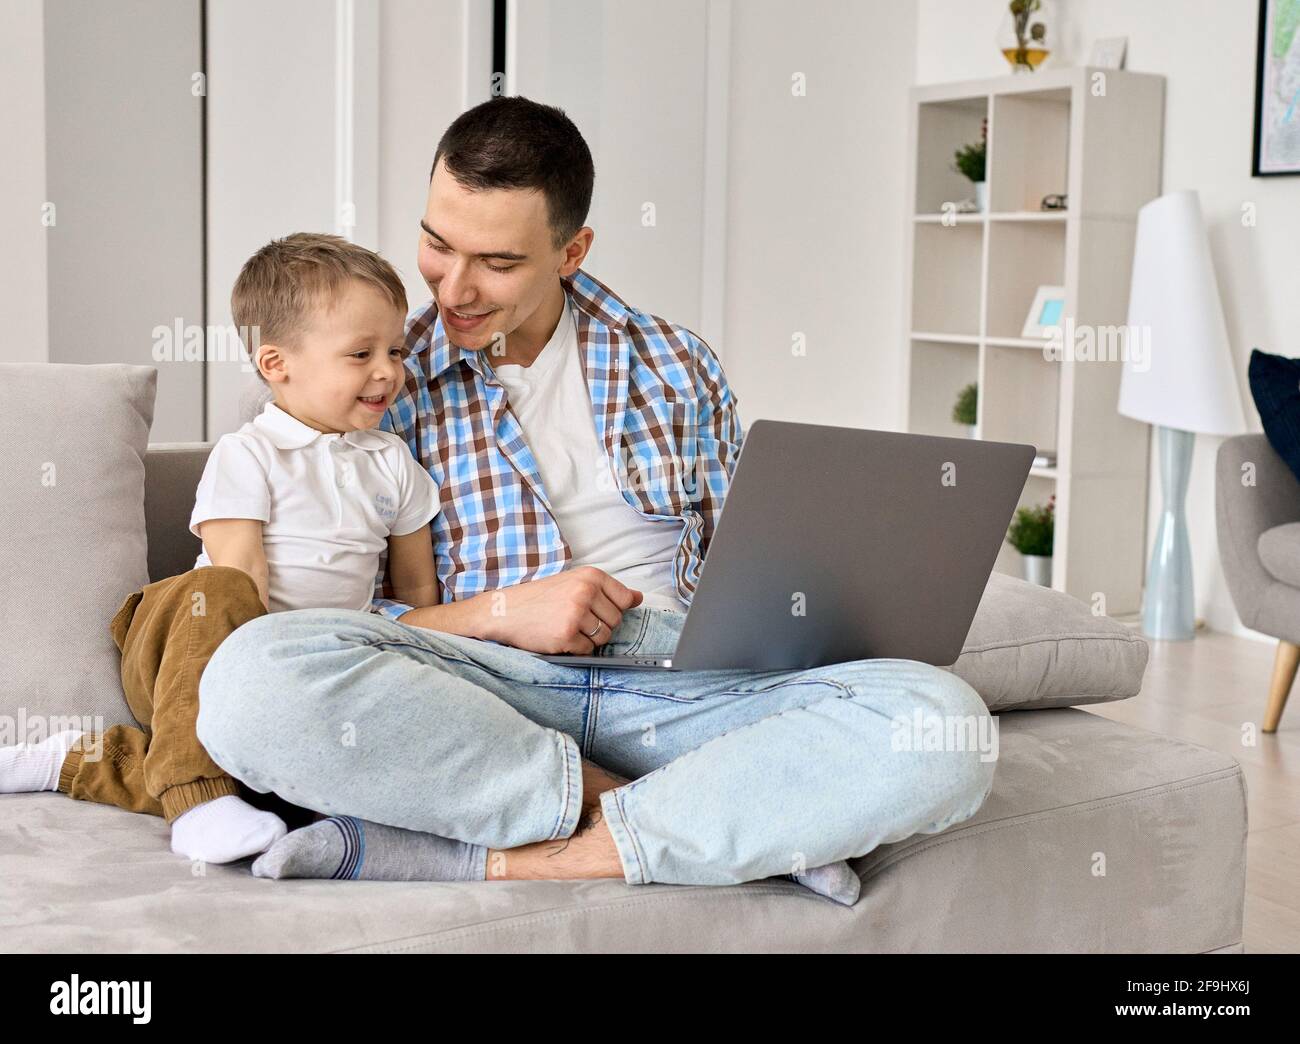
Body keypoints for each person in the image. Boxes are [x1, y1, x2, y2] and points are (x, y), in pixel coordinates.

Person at [199, 97, 997, 906]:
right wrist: (503, 612)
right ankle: (711, 817)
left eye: (499, 262)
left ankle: (517, 855)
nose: (455, 288)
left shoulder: (676, 364)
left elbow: (739, 567)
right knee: (247, 685)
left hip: (683, 682)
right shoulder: (372, 381)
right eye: (438, 244)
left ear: (571, 250)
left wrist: (814, 610)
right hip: (479, 693)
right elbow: (331, 610)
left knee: (944, 724)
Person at [0, 233, 440, 865]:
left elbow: (416, 595)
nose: (388, 371)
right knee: (219, 590)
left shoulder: (393, 463)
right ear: (275, 364)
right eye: (361, 353)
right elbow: (240, 579)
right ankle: (198, 803)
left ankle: (72, 760)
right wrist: (266, 689)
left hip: (309, 667)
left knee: (294, 792)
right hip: (195, 648)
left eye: (396, 350)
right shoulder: (249, 454)